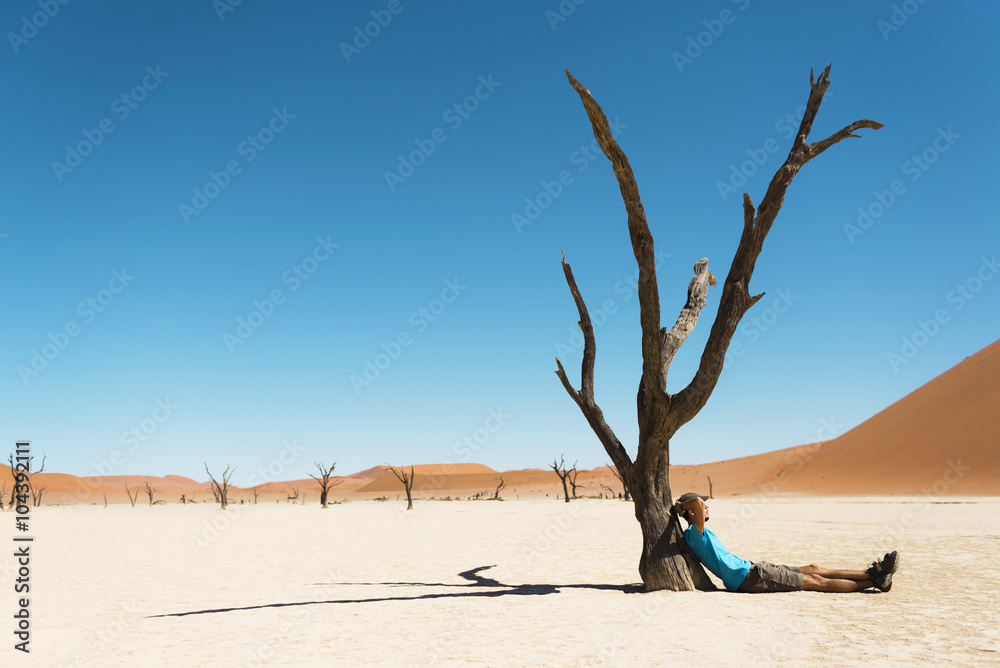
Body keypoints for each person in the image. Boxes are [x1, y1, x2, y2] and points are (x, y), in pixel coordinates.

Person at [673, 492, 899, 593]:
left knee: (814, 568)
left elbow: (698, 505)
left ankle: (871, 572)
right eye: (703, 504)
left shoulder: (696, 531)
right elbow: (697, 504)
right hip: (746, 578)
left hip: (751, 569)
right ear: (692, 511)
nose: (707, 506)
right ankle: (875, 582)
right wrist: (681, 507)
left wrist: (686, 507)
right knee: (814, 581)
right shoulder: (694, 532)